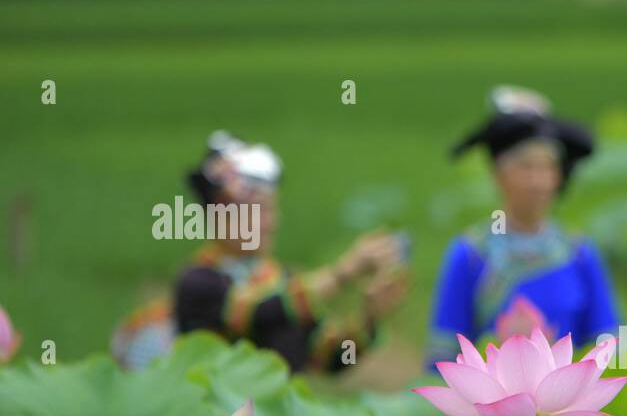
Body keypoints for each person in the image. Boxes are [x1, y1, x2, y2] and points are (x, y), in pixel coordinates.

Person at [112, 132, 407, 373]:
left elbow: (331, 359)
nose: (268, 222)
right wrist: (345, 271)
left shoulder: (282, 280)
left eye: (270, 209)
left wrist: (369, 320)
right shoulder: (198, 283)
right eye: (256, 210)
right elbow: (261, 312)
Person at [426, 87, 619, 368]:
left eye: (547, 168)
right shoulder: (470, 254)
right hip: (488, 407)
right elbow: (443, 354)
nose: (537, 182)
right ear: (497, 175)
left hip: (564, 404)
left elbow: (607, 343)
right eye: (525, 168)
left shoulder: (579, 253)